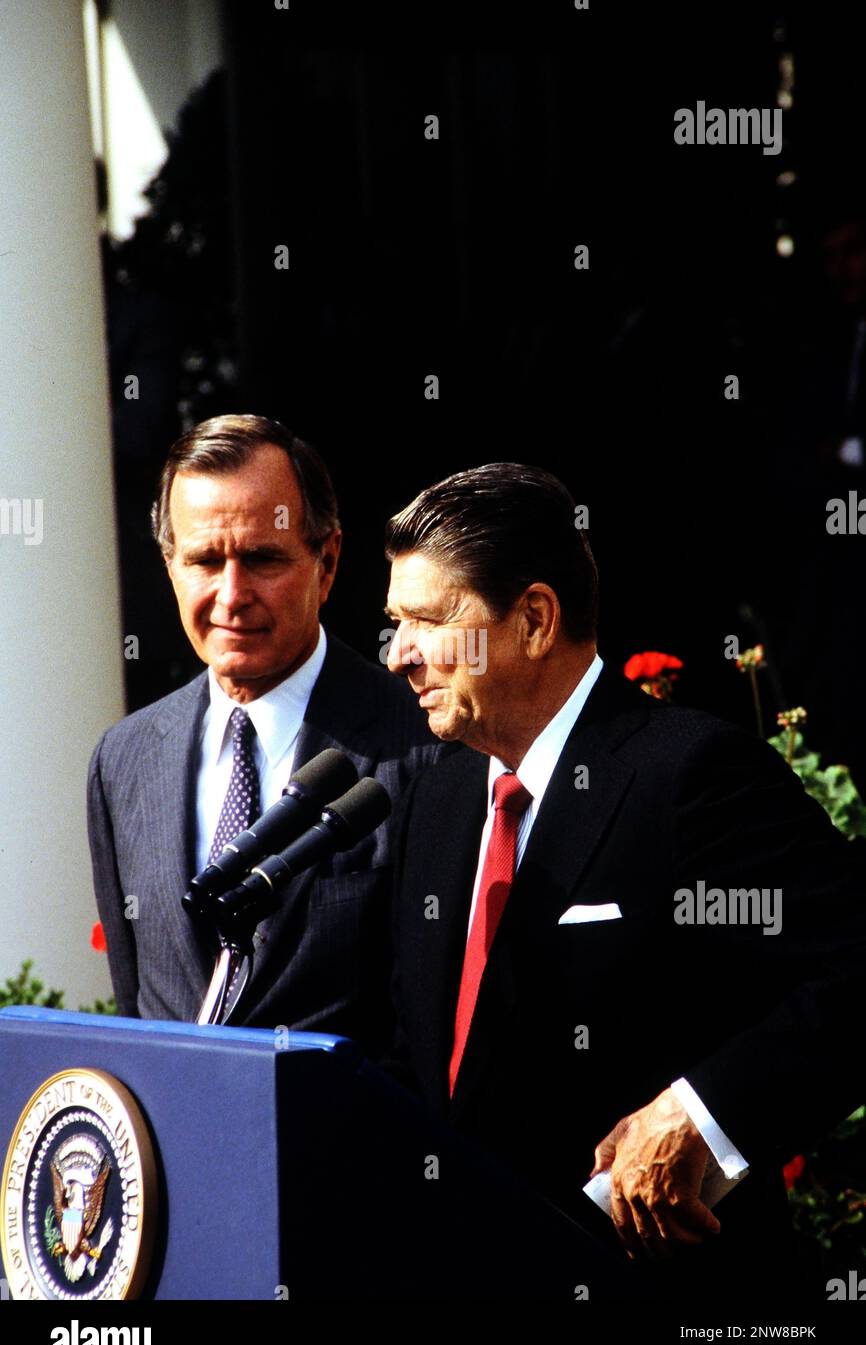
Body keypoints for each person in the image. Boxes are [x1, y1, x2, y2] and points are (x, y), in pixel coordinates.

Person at [381, 461, 866, 1298]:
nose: (399, 656)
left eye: (428, 620)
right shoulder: (441, 793)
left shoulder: (692, 774)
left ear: (535, 618)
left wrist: (703, 1117)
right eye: (394, 622)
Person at [87, 414, 442, 1049]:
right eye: (204, 560)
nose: (232, 594)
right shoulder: (123, 759)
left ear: (327, 563)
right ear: (169, 565)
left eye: (261, 558)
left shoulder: (422, 743)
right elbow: (136, 1015)